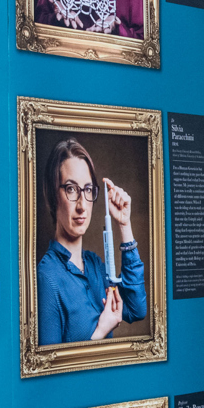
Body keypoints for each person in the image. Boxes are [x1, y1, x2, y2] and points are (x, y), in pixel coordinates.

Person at [35, 137, 148, 345]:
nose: (82, 205)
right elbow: (48, 371)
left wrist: (124, 224)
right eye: (70, 189)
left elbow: (136, 308)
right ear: (52, 195)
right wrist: (101, 331)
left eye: (87, 189)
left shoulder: (95, 266)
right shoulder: (47, 277)